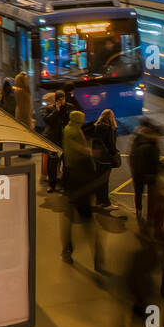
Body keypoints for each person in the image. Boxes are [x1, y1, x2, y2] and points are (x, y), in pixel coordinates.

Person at [60, 109, 105, 272]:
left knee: (68, 223)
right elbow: (76, 145)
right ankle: (98, 259)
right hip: (82, 197)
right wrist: (89, 152)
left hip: (71, 188)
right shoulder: (74, 134)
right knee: (89, 228)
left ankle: (67, 251)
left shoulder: (68, 129)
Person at [90, 108, 119, 208]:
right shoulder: (109, 129)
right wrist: (114, 154)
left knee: (99, 180)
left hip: (98, 158)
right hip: (106, 159)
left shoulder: (97, 127)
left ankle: (99, 201)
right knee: (105, 181)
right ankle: (106, 202)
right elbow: (111, 145)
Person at [41, 90, 69, 192]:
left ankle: (64, 185)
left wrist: (63, 109)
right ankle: (51, 184)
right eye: (59, 99)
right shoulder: (48, 109)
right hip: (54, 140)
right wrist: (56, 110)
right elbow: (48, 120)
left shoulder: (67, 108)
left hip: (64, 139)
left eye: (63, 98)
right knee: (52, 164)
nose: (62, 101)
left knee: (65, 163)